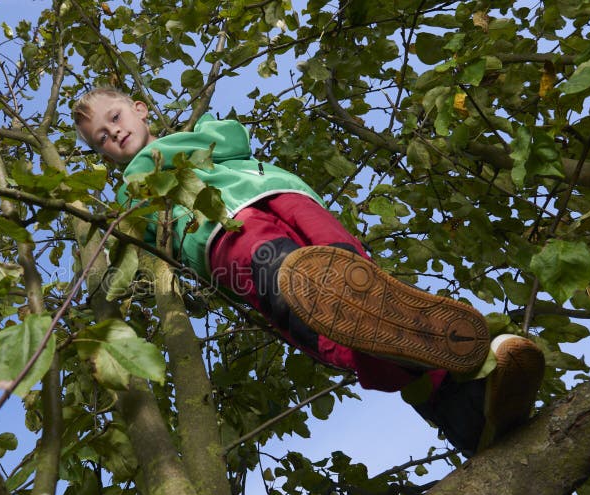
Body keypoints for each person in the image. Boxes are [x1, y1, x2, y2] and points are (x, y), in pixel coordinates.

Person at [71, 87, 545, 457]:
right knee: (316, 305)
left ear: (141, 108)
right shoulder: (131, 192)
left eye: (115, 119)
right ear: (102, 154)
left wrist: (186, 146)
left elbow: (233, 137)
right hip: (226, 237)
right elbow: (154, 237)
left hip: (284, 197)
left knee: (365, 286)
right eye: (101, 139)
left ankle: (470, 409)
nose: (113, 134)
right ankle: (471, 396)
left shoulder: (197, 135)